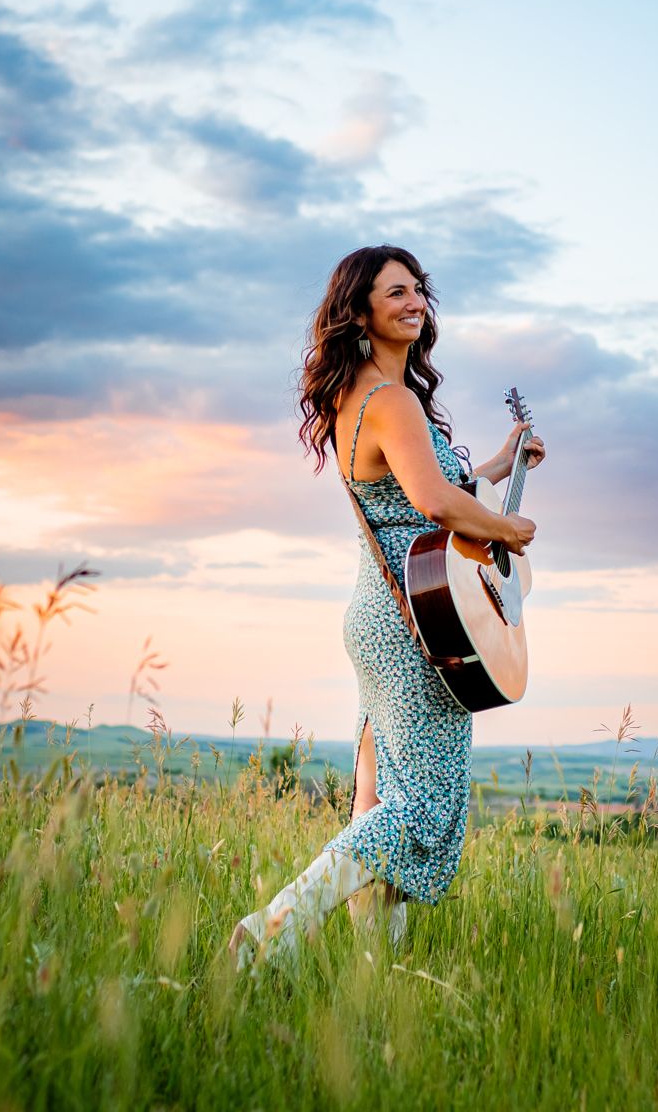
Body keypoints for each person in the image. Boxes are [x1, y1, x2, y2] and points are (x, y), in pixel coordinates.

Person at [228, 244, 545, 969]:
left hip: (384, 608)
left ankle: (379, 978)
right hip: (418, 617)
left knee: (376, 801)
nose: (414, 302)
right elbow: (434, 502)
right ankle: (271, 929)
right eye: (395, 292)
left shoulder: (362, 398)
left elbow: (421, 485)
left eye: (418, 290)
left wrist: (500, 467)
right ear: (360, 310)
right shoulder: (392, 401)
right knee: (421, 807)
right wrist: (507, 529)